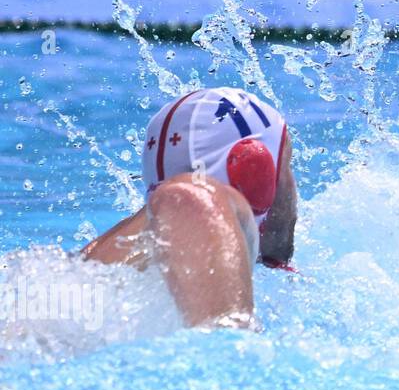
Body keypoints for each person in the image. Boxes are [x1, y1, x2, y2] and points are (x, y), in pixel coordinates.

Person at [80, 87, 298, 328]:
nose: (293, 185)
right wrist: (237, 338)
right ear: (256, 173)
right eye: (287, 164)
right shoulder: (197, 198)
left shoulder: (99, 256)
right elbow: (185, 195)